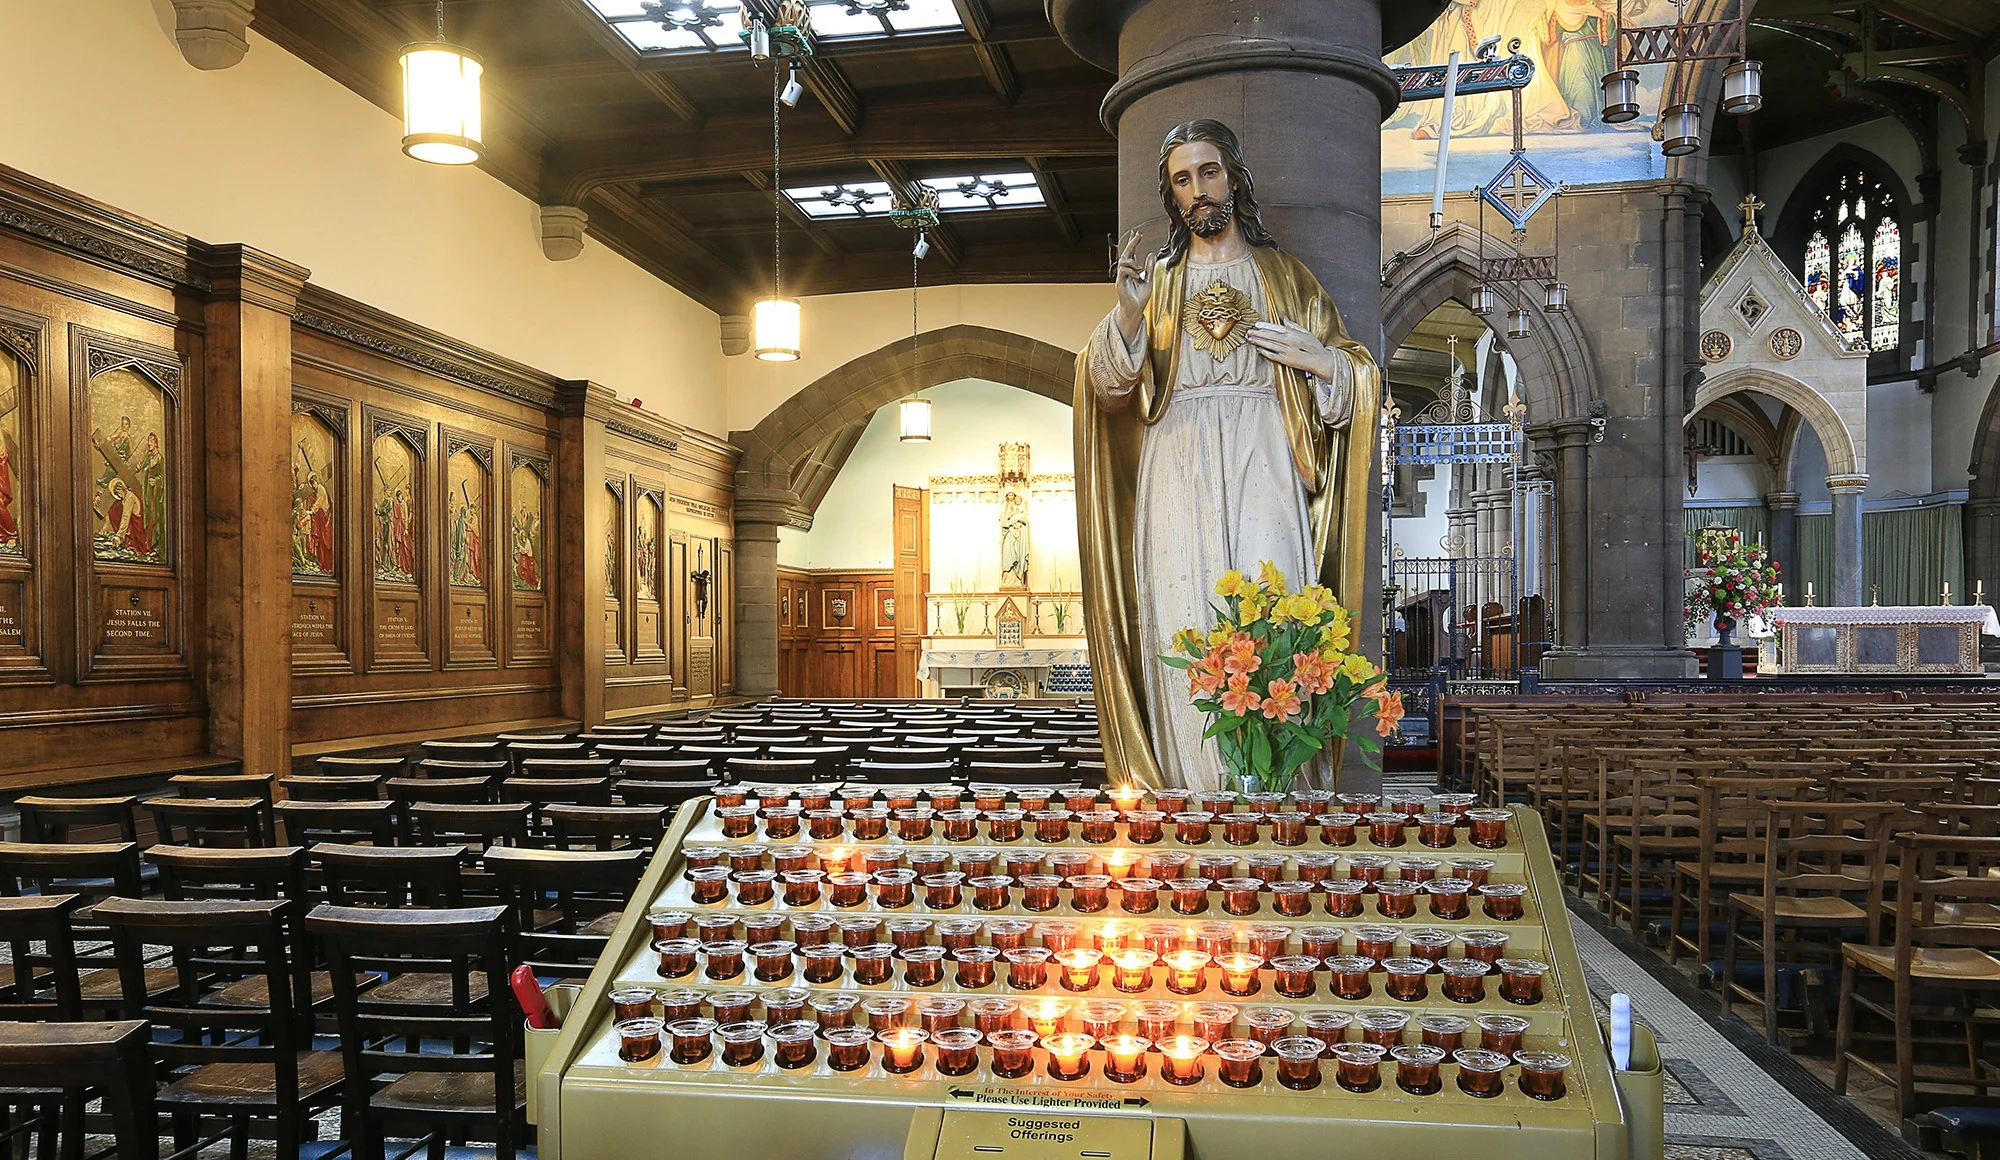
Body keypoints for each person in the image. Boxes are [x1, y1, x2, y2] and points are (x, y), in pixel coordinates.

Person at [1077, 119, 1381, 791]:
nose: (1197, 192)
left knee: (1275, 611)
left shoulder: (1285, 277)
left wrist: (1327, 361)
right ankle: (1193, 796)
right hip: (1176, 462)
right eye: (1182, 180)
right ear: (1171, 196)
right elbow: (1105, 385)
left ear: (1234, 178)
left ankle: (1274, 797)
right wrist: (1128, 315)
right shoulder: (1155, 284)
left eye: (1208, 173)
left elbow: (1354, 376)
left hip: (1266, 452)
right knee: (1185, 621)